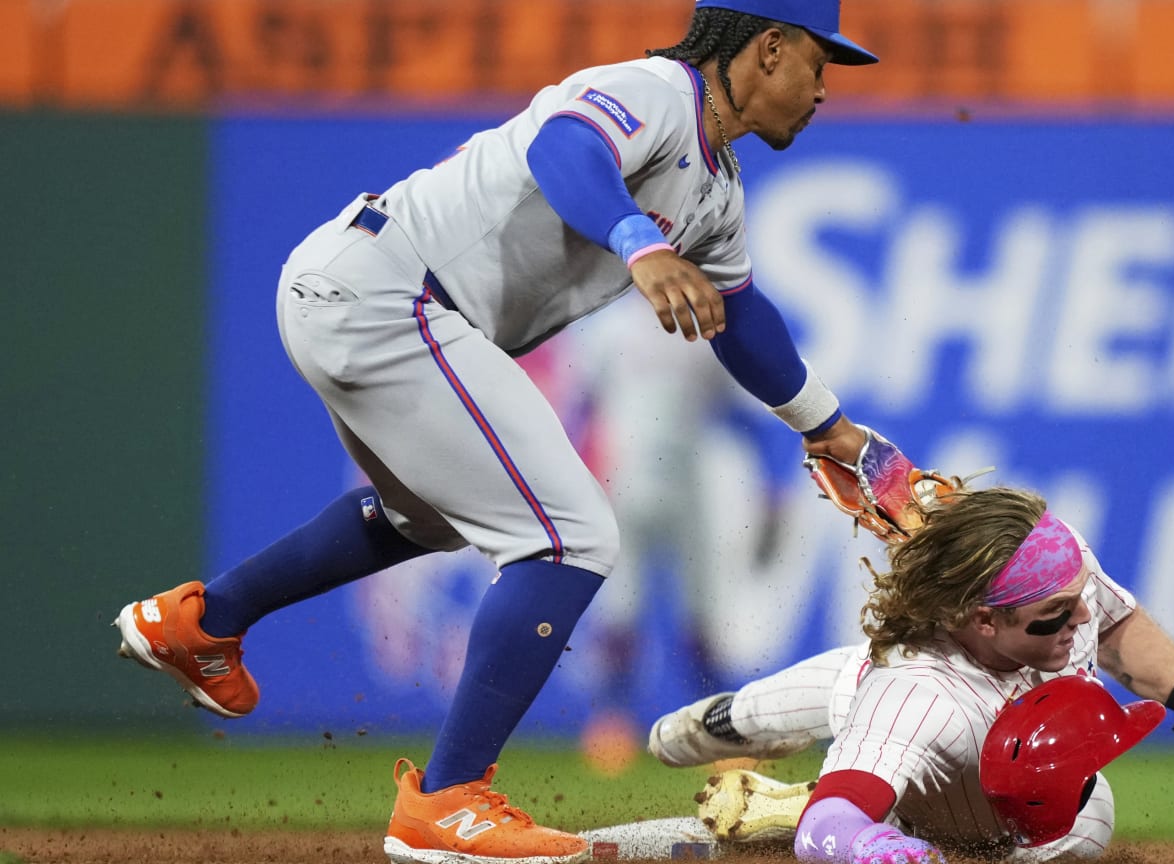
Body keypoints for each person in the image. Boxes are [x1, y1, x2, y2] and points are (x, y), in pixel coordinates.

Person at [113, 3, 887, 864]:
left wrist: (835, 434)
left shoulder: (717, 190)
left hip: (371, 297)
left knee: (427, 519)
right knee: (573, 537)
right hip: (389, 293)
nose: (823, 91)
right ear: (769, 47)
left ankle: (205, 620)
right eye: (820, 64)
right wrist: (637, 240)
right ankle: (447, 800)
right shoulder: (655, 90)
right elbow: (567, 147)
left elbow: (741, 316)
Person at [646, 486, 1174, 863]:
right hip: (873, 710)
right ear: (979, 619)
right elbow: (832, 828)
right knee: (702, 732)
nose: (1079, 620)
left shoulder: (1052, 572)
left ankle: (814, 806)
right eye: (1055, 617)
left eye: (1077, 600)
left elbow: (1116, 624)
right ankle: (738, 755)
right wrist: (867, 844)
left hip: (984, 811)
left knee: (1082, 832)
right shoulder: (913, 695)